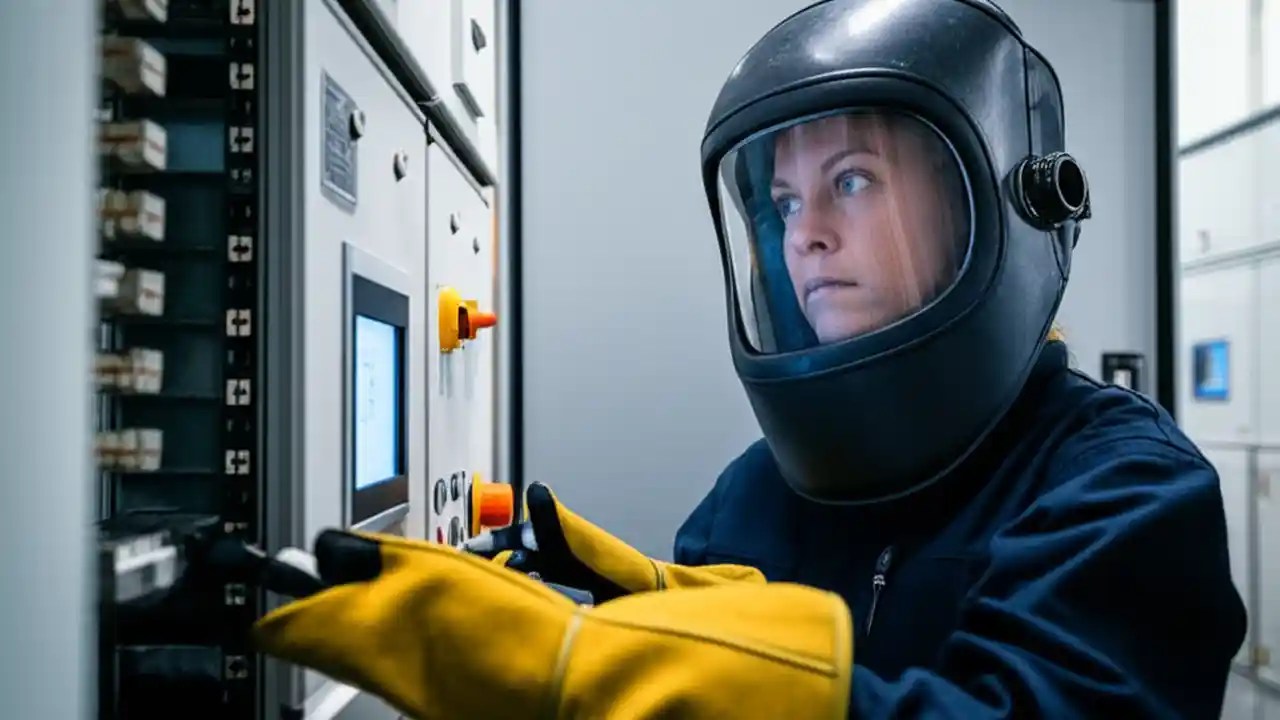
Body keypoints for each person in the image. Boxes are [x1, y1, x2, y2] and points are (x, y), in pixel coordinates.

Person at [248, 1, 1245, 717]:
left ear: (997, 202)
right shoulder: (754, 494)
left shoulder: (1124, 491)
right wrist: (651, 613)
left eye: (850, 181)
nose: (802, 234)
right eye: (779, 202)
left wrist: (587, 677)